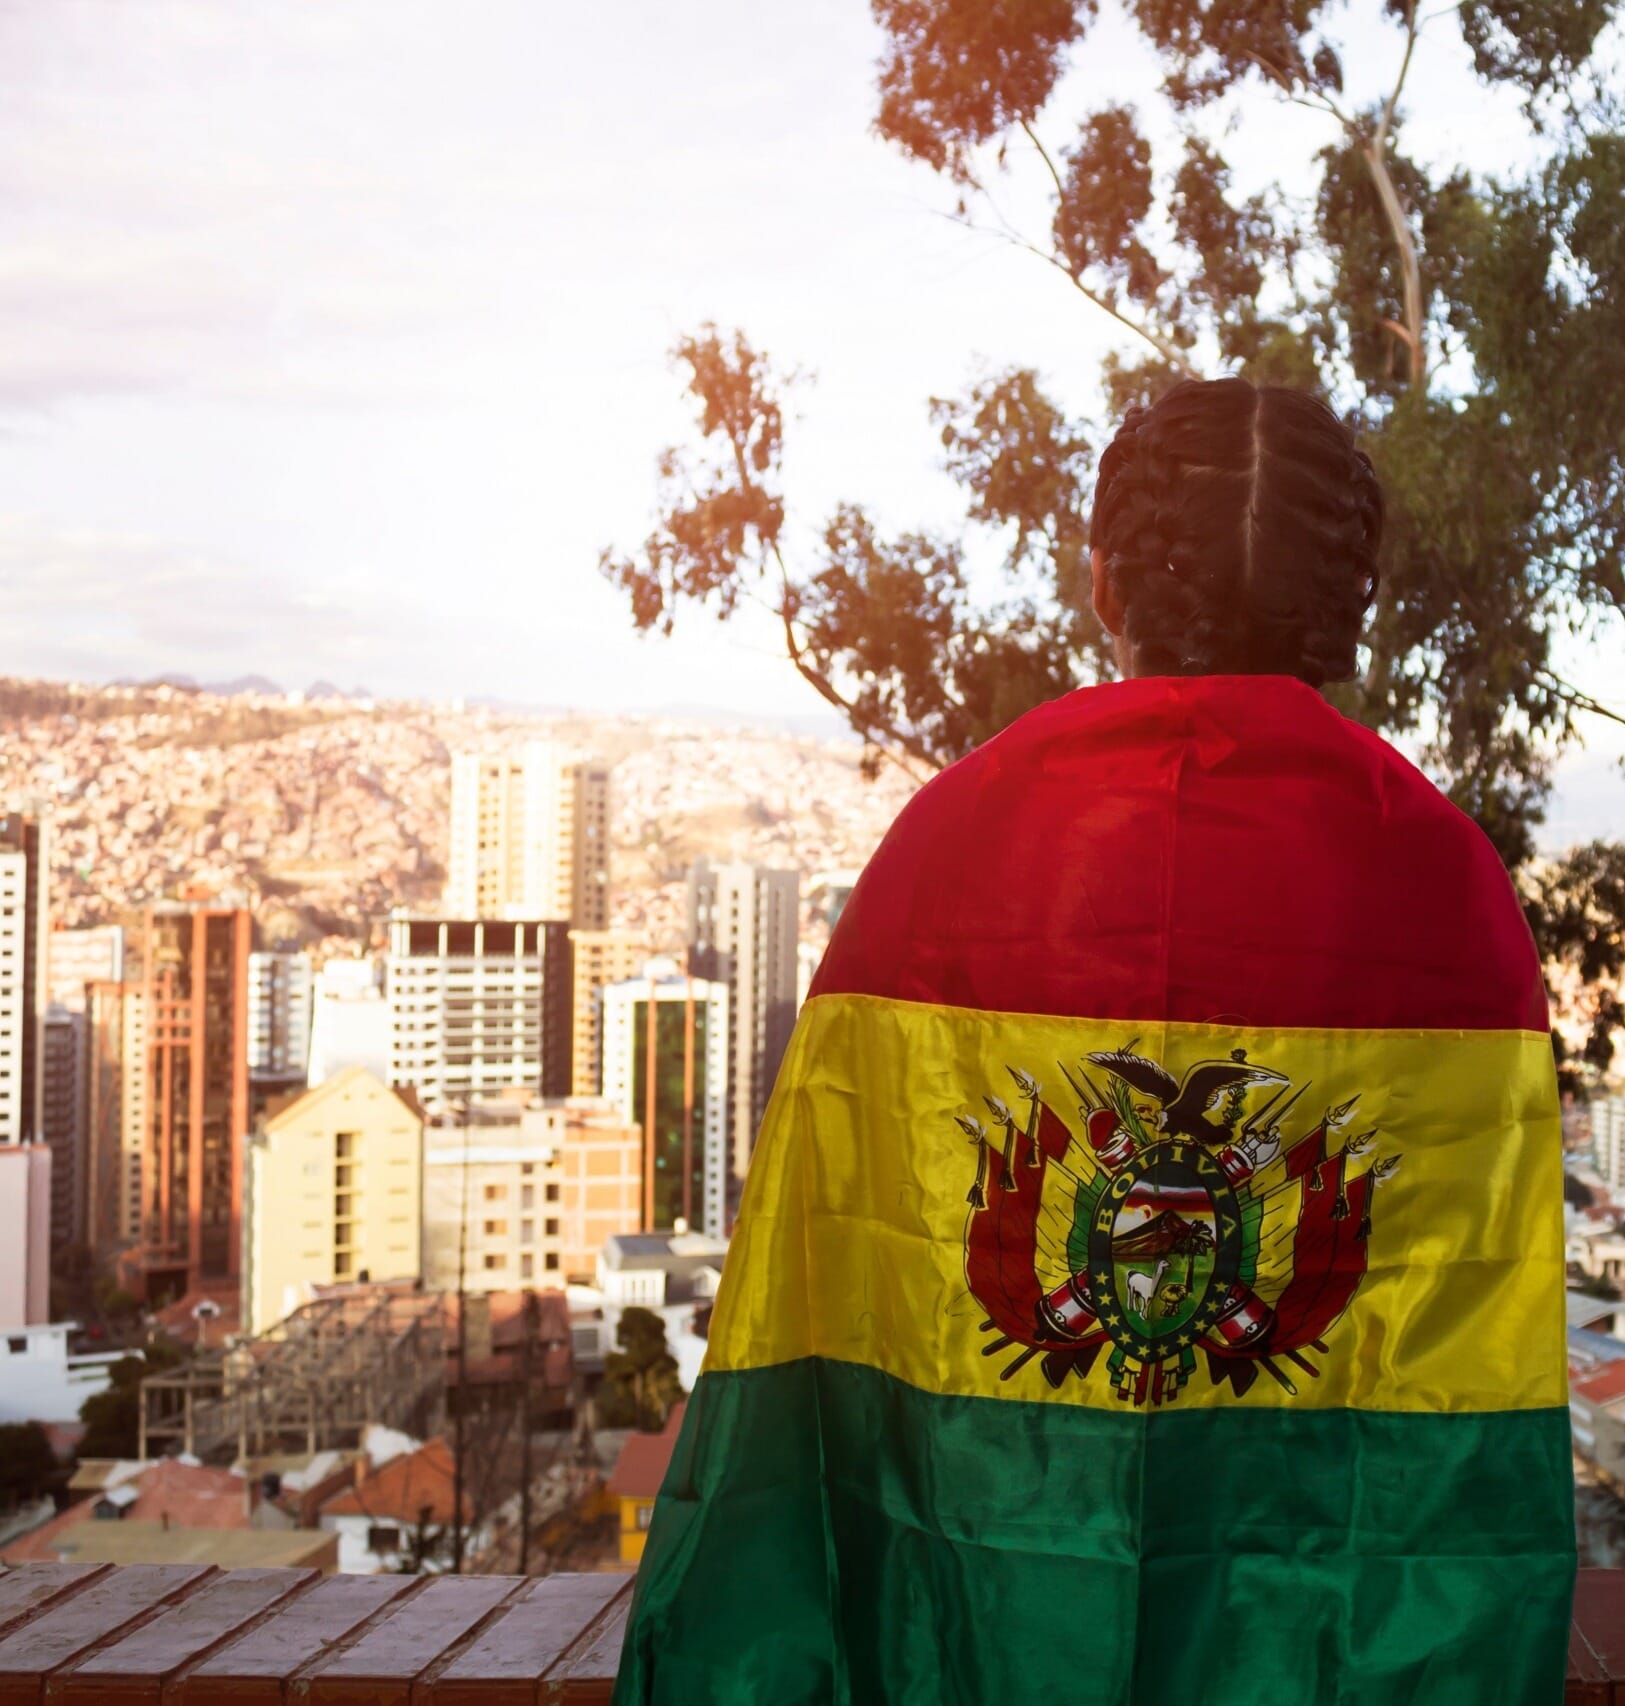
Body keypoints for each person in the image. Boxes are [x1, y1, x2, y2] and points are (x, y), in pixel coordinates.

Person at [616, 377, 1576, 1705]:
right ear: (1348, 605)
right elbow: (1470, 1345)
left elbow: (830, 1284)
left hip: (993, 1614)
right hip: (1328, 1638)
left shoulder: (945, 851)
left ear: (1102, 582)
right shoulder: (1449, 886)